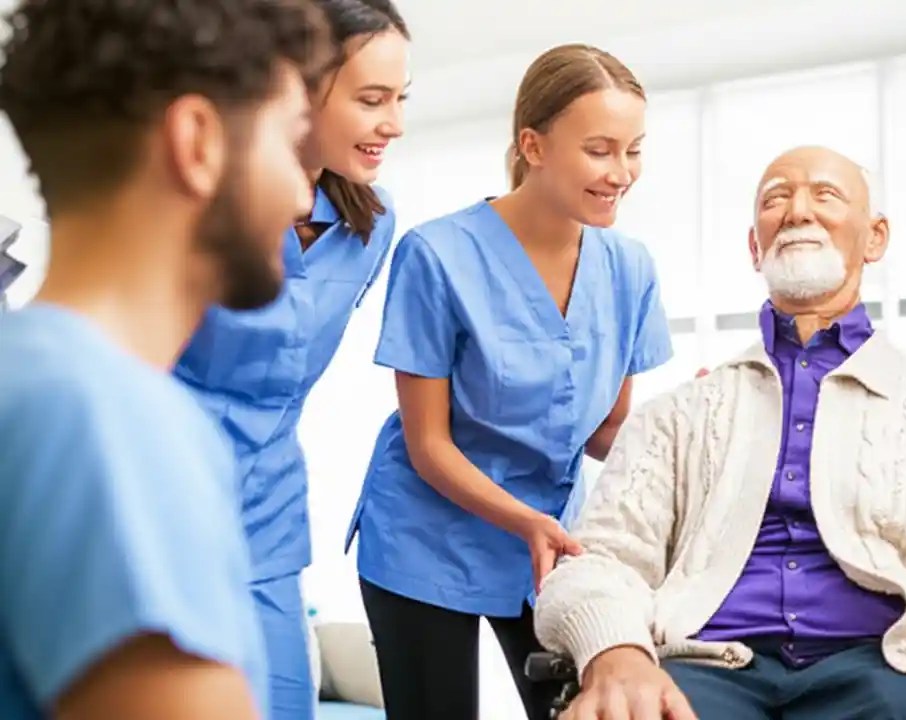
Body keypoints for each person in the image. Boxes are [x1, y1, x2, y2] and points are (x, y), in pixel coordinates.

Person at [533, 146, 906, 720]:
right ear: (753, 245)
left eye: (826, 194)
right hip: (700, 669)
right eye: (776, 198)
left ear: (875, 238)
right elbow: (601, 562)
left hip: (898, 670)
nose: (798, 210)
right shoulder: (674, 417)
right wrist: (614, 652)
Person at [0, 1, 329, 718]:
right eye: (290, 139)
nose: (304, 191)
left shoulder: (25, 379)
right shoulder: (104, 420)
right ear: (198, 142)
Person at [346, 43, 673, 720]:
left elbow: (611, 434)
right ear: (534, 145)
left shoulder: (630, 268)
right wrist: (526, 521)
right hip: (426, 539)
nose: (622, 173)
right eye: (600, 149)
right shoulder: (437, 255)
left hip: (555, 547)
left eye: (634, 150)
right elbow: (428, 444)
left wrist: (697, 444)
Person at [172, 2, 409, 717]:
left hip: (268, 517)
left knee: (283, 702)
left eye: (401, 99)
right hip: (162, 499)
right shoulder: (202, 200)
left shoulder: (374, 224)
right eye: (372, 99)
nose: (394, 122)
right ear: (297, 90)